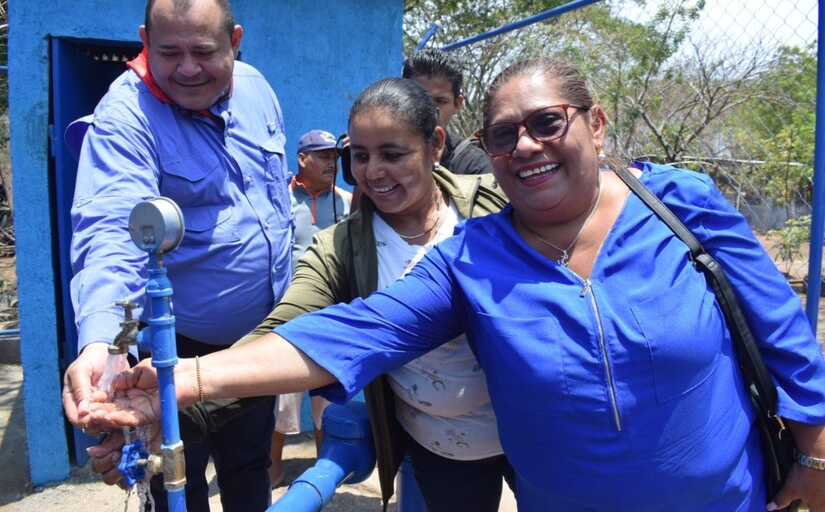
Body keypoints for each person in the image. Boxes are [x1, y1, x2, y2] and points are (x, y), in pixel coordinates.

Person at [88, 58, 825, 511]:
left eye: (547, 123)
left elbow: (782, 333)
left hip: (722, 500)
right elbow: (350, 331)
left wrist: (816, 454)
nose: (524, 146)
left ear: (595, 126)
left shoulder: (679, 203)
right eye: (504, 135)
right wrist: (176, 381)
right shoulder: (472, 254)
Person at [87, 77, 513, 511]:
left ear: (435, 143)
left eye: (393, 154)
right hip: (443, 446)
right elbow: (286, 329)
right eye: (359, 157)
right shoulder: (342, 248)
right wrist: (172, 403)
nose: (373, 172)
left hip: (534, 426)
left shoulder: (494, 209)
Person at [60, 0, 293, 512]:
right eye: (169, 52)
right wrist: (102, 342)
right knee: (175, 481)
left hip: (257, 343)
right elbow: (112, 230)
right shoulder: (125, 118)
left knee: (249, 467)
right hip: (173, 351)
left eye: (204, 51)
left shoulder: (257, 87)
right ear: (145, 40)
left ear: (235, 41)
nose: (187, 68)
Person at [269, 128, 351, 487]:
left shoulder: (346, 202)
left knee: (328, 398)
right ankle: (271, 470)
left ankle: (325, 470)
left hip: (331, 315)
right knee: (281, 398)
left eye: (334, 157)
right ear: (302, 159)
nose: (330, 163)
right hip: (288, 315)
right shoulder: (280, 200)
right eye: (322, 156)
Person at [402, 47, 492, 175]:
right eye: (417, 98)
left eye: (439, 101)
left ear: (457, 104)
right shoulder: (377, 154)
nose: (427, 109)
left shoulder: (474, 166)